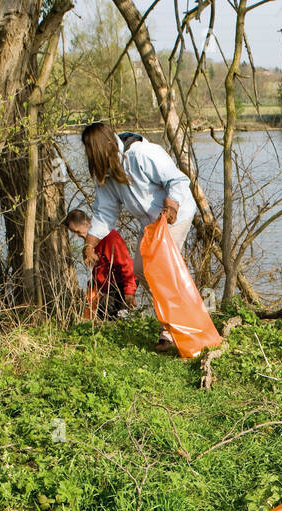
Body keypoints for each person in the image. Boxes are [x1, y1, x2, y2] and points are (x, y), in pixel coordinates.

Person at [80, 121, 197, 349]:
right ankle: (179, 321)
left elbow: (177, 180)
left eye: (89, 150)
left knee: (161, 269)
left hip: (176, 215)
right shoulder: (106, 174)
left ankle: (173, 331)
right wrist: (90, 243)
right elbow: (105, 212)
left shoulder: (143, 154)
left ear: (100, 147)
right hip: (151, 225)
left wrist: (171, 206)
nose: (88, 156)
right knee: (141, 270)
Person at [65, 209, 136, 321]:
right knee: (97, 311)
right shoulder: (91, 242)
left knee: (105, 310)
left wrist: (129, 291)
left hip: (124, 281)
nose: (77, 236)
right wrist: (93, 284)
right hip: (108, 285)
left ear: (86, 223)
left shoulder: (110, 238)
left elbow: (126, 266)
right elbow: (99, 267)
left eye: (77, 231)